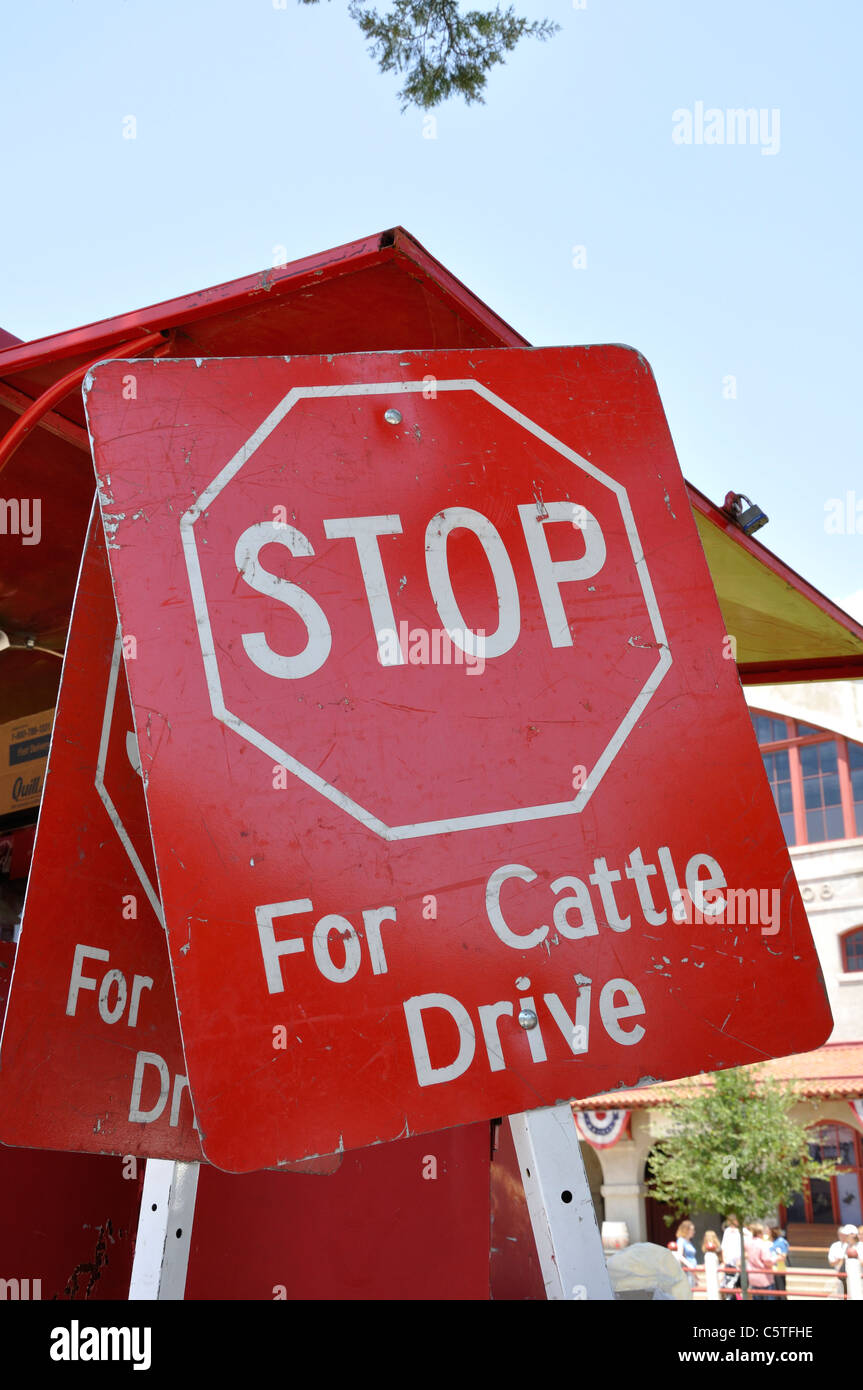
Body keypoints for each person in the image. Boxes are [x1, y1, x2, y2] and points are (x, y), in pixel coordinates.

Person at [744, 1221, 776, 1300]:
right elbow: (767, 1260)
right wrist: (776, 1259)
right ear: (760, 1233)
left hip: (753, 1276)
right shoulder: (763, 1244)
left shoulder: (748, 1243)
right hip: (764, 1277)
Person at [827, 1223, 858, 1299]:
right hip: (843, 1277)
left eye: (846, 1235)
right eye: (843, 1234)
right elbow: (833, 1262)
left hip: (855, 1277)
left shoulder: (859, 1246)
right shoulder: (840, 1246)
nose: (844, 1237)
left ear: (853, 1235)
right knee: (842, 1296)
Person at [673, 1220, 698, 1290]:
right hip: (686, 1270)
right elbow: (680, 1255)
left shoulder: (689, 1242)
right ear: (686, 1230)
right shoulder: (681, 1241)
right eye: (692, 1230)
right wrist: (689, 1265)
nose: (694, 1232)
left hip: (692, 1270)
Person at [720, 1216, 742, 1296]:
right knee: (730, 1283)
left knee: (740, 1284)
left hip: (739, 1261)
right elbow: (723, 1246)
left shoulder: (740, 1231)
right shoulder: (727, 1231)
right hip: (730, 1262)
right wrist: (724, 1260)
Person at [768, 1225, 789, 1300]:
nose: (767, 1233)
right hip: (772, 1270)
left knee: (781, 1293)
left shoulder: (780, 1242)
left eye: (768, 1231)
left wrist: (770, 1260)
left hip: (778, 1270)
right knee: (775, 1294)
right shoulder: (772, 1241)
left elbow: (783, 1257)